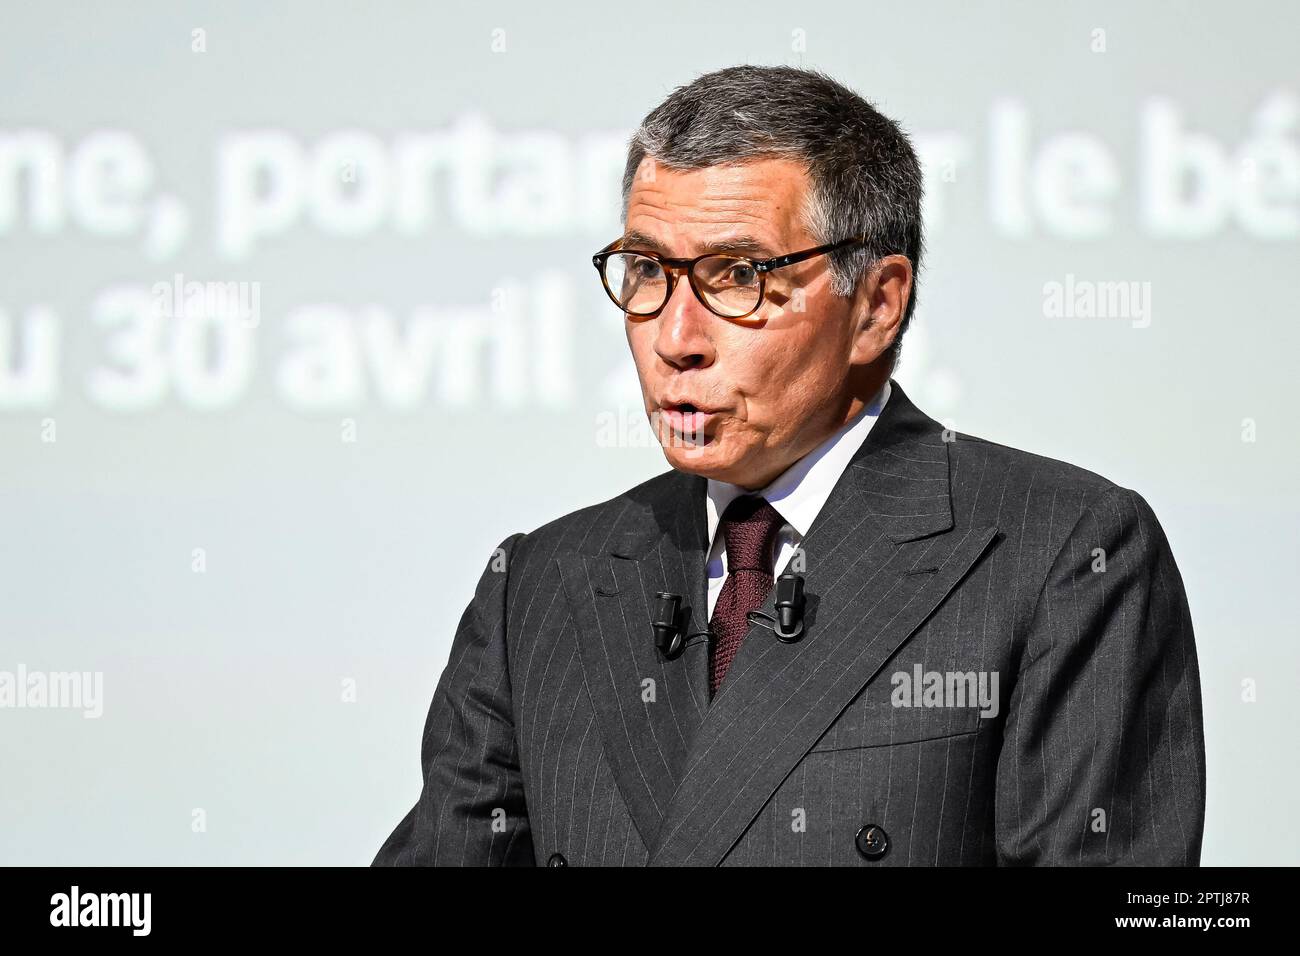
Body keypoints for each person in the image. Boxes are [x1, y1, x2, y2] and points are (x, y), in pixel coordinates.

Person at [373, 65, 1205, 866]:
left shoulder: (1062, 553)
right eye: (648, 272)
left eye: (738, 277)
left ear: (878, 305)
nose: (675, 339)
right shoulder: (542, 582)